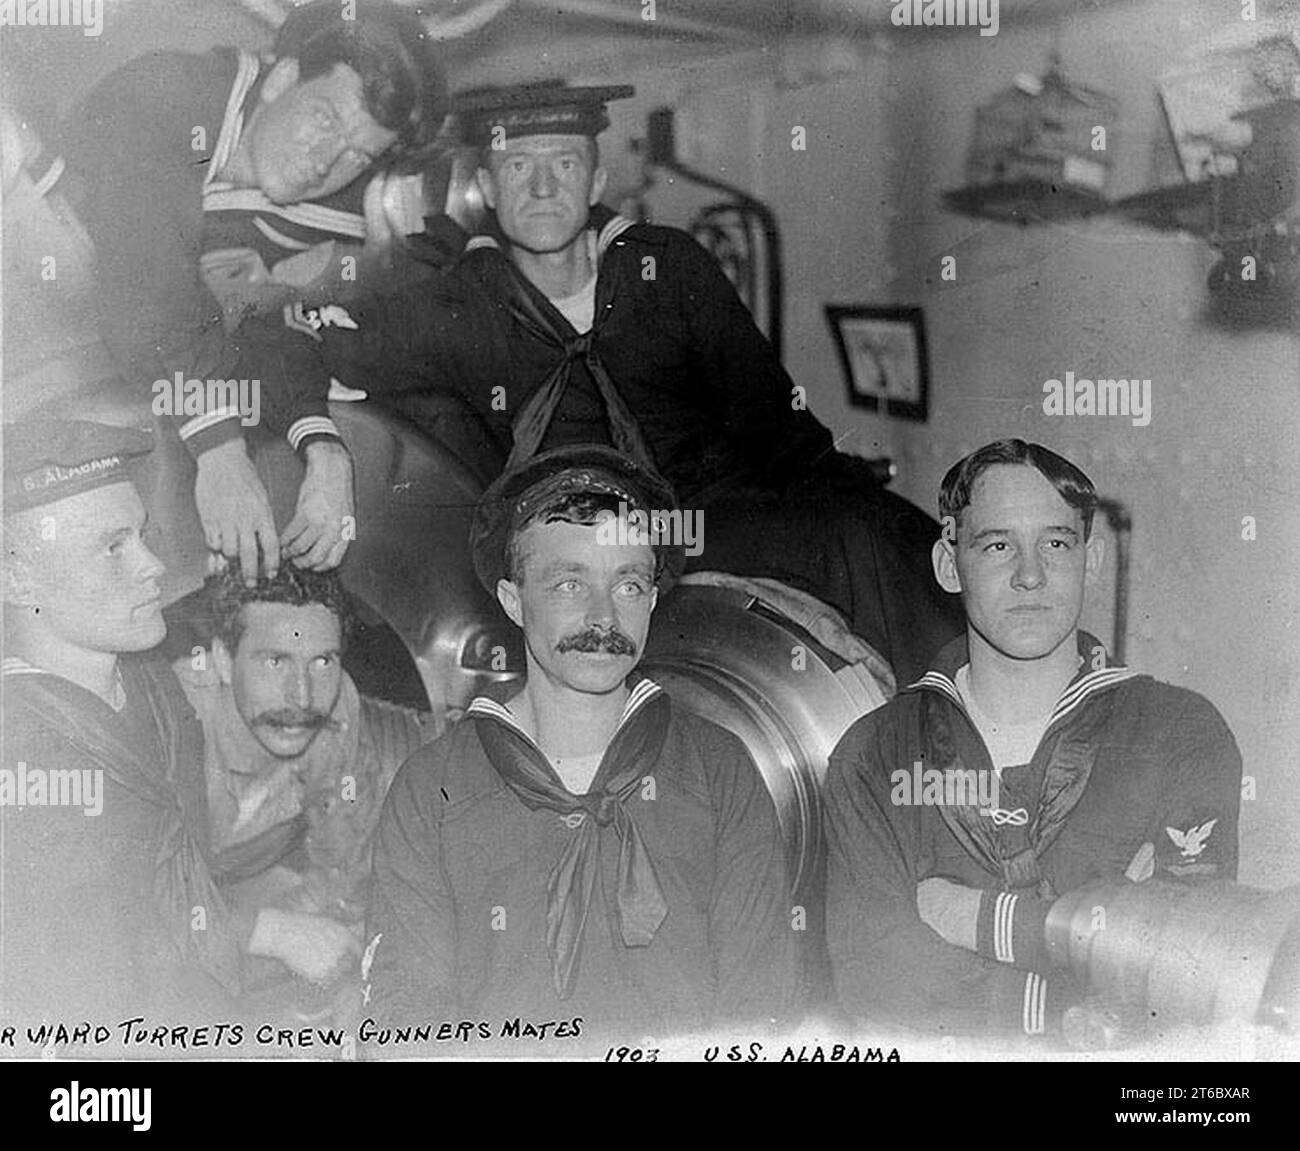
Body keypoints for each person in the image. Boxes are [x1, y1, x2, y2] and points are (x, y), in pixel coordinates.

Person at [232, 81, 964, 684]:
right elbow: (277, 334)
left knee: (879, 538)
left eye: (564, 163)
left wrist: (854, 493)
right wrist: (321, 447)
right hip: (583, 547)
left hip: (717, 527)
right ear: (487, 184)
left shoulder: (666, 268)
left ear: (598, 178)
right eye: (519, 167)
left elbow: (774, 424)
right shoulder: (455, 305)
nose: (544, 187)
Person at [364, 445, 797, 1046]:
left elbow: (761, 1007)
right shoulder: (432, 786)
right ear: (513, 600)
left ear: (652, 599)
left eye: (628, 584)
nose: (604, 616)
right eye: (570, 583)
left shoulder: (718, 771)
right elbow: (403, 1018)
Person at [824, 439, 1243, 1041]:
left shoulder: (1179, 732)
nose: (1030, 574)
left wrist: (972, 918)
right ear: (949, 564)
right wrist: (1087, 966)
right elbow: (880, 985)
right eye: (998, 545)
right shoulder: (876, 752)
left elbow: (1186, 970)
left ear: (1090, 561)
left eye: (1055, 543)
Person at [57, 0, 449, 581]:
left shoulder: (321, 205)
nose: (326, 163)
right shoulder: (169, 94)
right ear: (282, 77)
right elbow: (149, 281)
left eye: (359, 154)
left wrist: (323, 446)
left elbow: (262, 323)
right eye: (324, 120)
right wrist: (219, 449)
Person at [0, 419, 242, 1034]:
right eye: (113, 547)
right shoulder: (18, 751)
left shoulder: (154, 687)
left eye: (141, 535)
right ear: (15, 580)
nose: (154, 565)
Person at [174, 562, 444, 1003]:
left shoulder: (337, 712)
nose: (302, 697)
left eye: (322, 661)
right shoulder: (171, 716)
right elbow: (114, 901)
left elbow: (351, 863)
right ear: (223, 660)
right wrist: (271, 932)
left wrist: (354, 980)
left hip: (239, 881)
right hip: (161, 910)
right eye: (275, 660)